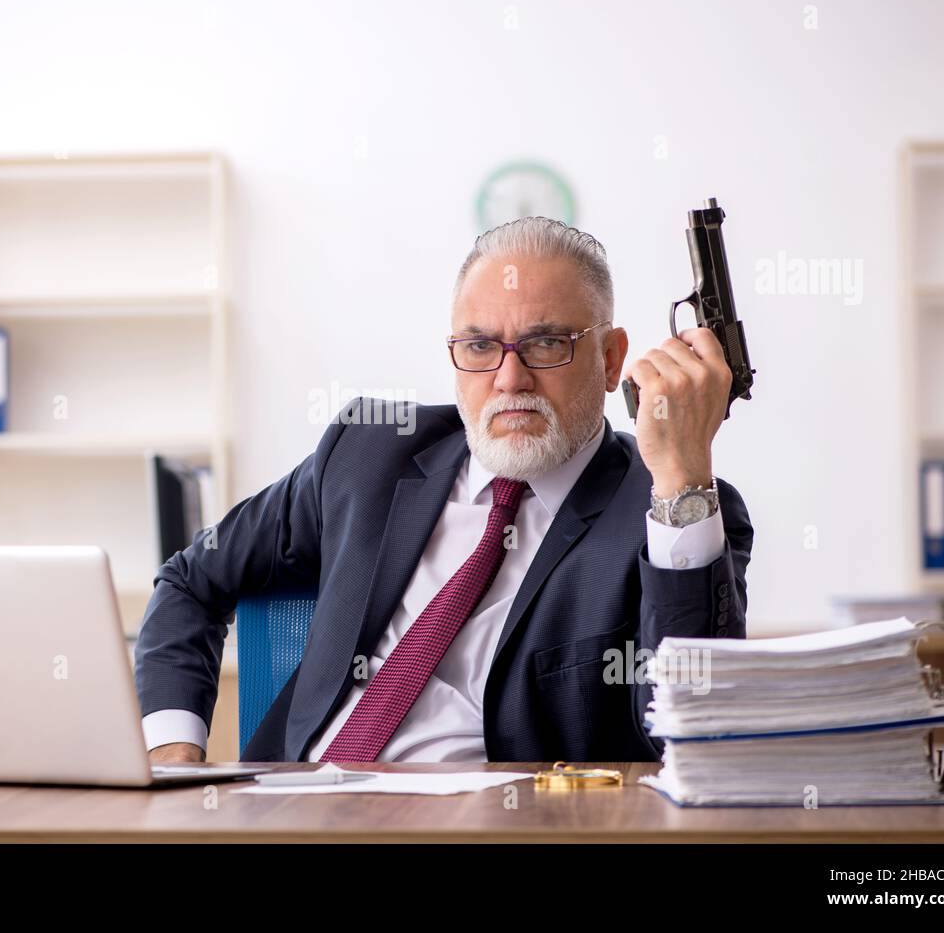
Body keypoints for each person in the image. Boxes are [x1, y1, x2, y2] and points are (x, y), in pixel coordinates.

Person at [136, 216, 752, 763]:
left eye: (546, 344)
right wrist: (172, 755)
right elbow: (192, 577)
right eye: (480, 346)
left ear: (612, 358)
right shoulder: (367, 452)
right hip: (289, 811)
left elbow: (692, 735)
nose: (511, 379)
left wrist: (680, 477)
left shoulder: (666, 507)